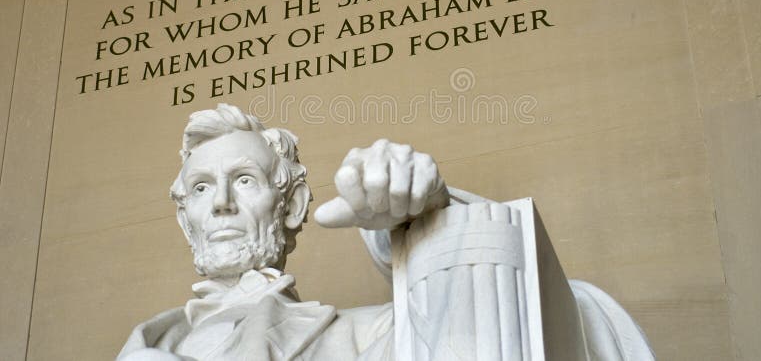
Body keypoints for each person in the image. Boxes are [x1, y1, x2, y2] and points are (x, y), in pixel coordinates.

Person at [118, 104, 654, 360]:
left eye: (244, 180)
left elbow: (517, 314)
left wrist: (423, 219)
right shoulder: (150, 346)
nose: (223, 204)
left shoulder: (365, 338)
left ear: (293, 204)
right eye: (202, 189)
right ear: (185, 215)